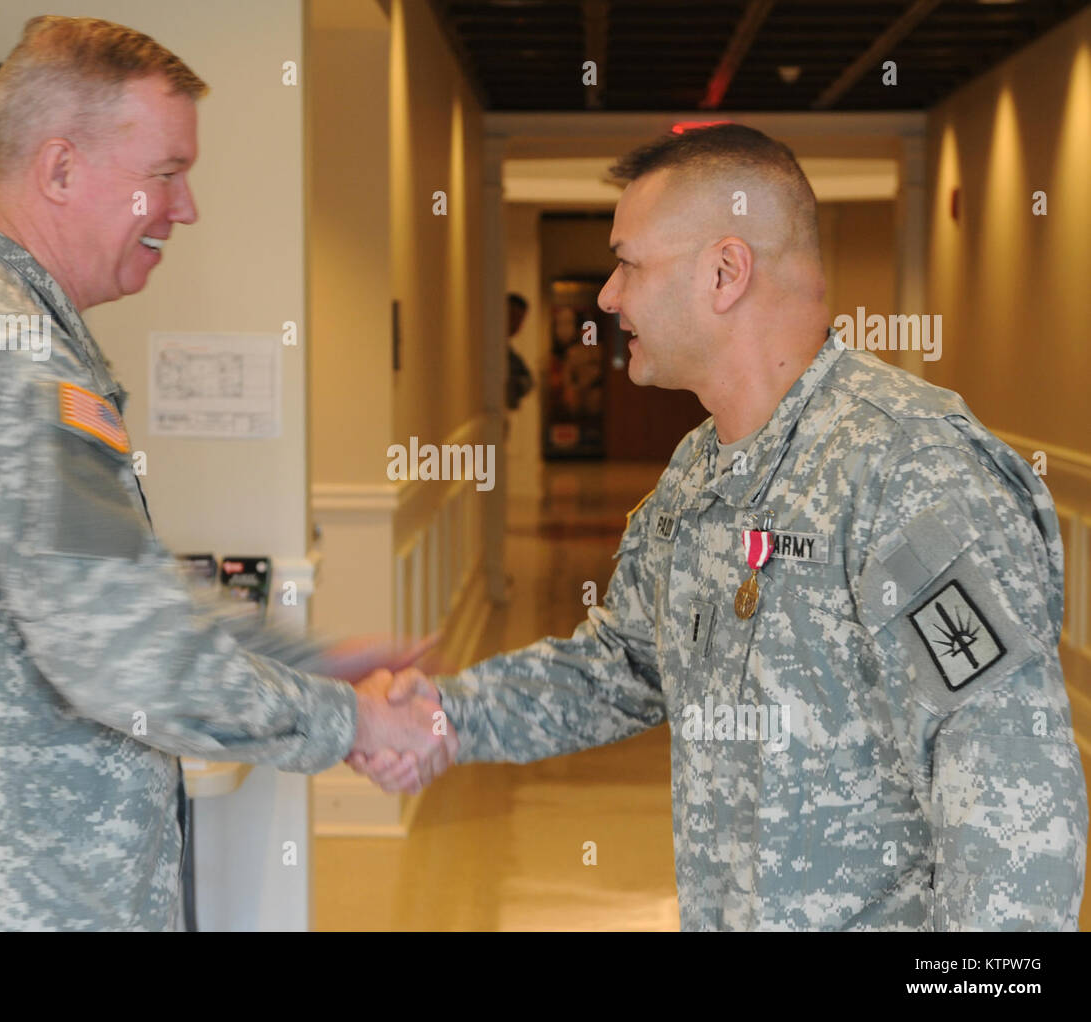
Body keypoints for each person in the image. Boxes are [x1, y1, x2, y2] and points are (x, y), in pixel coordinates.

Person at [0, 16, 452, 931]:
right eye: (166, 176)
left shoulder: (7, 323)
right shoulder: (7, 358)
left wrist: (303, 663)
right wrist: (355, 724)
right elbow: (125, 653)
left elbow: (115, 591)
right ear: (61, 170)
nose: (186, 210)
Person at [352, 124, 1088, 930]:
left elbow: (1017, 816)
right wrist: (445, 717)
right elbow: (627, 663)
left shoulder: (908, 471)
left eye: (627, 262)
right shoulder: (697, 471)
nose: (608, 295)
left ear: (725, 272)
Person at [505, 293, 534, 412]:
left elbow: (529, 380)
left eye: (520, 320)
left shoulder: (507, 350)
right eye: (513, 318)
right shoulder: (495, 350)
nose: (517, 325)